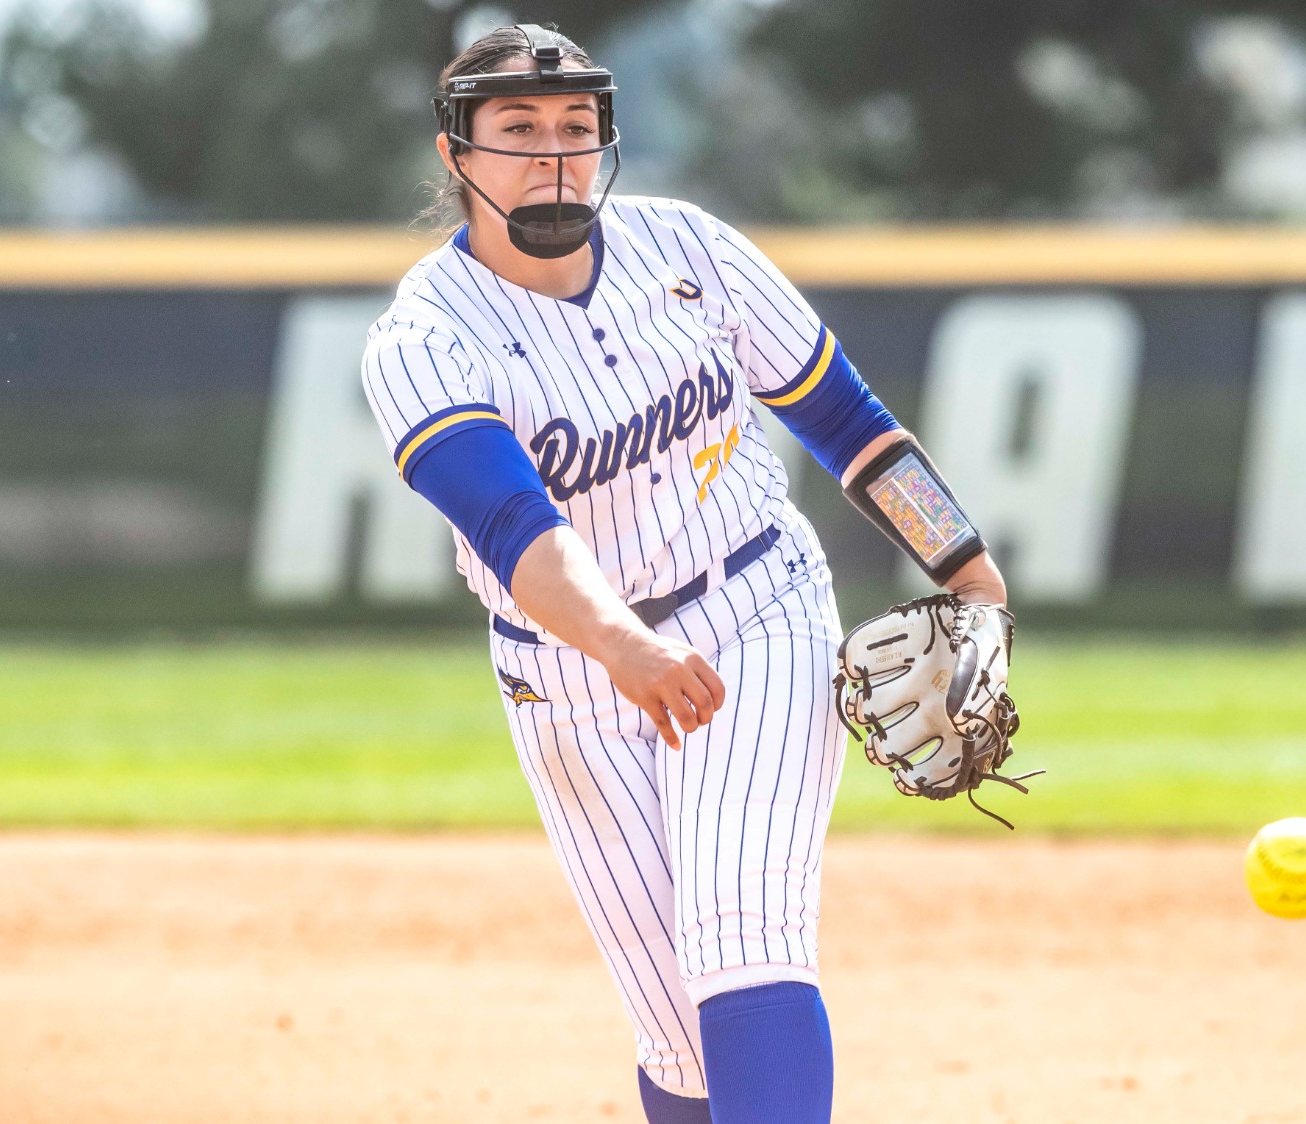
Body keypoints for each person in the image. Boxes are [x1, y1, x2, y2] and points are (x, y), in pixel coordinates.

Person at [359, 24, 1010, 1124]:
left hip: (755, 606)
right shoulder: (423, 339)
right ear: (455, 151)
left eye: (575, 126)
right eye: (517, 128)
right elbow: (514, 527)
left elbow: (848, 424)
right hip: (567, 674)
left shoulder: (689, 252)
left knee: (743, 939)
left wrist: (974, 576)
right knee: (679, 1036)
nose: (552, 154)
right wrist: (622, 642)